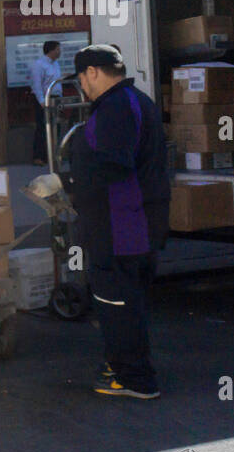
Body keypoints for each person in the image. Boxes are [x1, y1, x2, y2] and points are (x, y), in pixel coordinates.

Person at [66, 44, 171, 399]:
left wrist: (69, 185)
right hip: (137, 222)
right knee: (128, 301)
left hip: (121, 225)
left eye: (82, 78)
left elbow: (113, 164)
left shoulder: (114, 108)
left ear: (92, 72)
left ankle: (135, 379)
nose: (83, 87)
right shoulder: (137, 101)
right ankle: (124, 364)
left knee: (117, 303)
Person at [29, 40, 63, 166]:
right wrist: (42, 102)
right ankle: (39, 156)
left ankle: (52, 156)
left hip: (56, 99)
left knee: (56, 127)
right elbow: (37, 84)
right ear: (51, 50)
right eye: (58, 49)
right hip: (43, 100)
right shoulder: (39, 64)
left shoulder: (56, 64)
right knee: (43, 128)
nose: (59, 52)